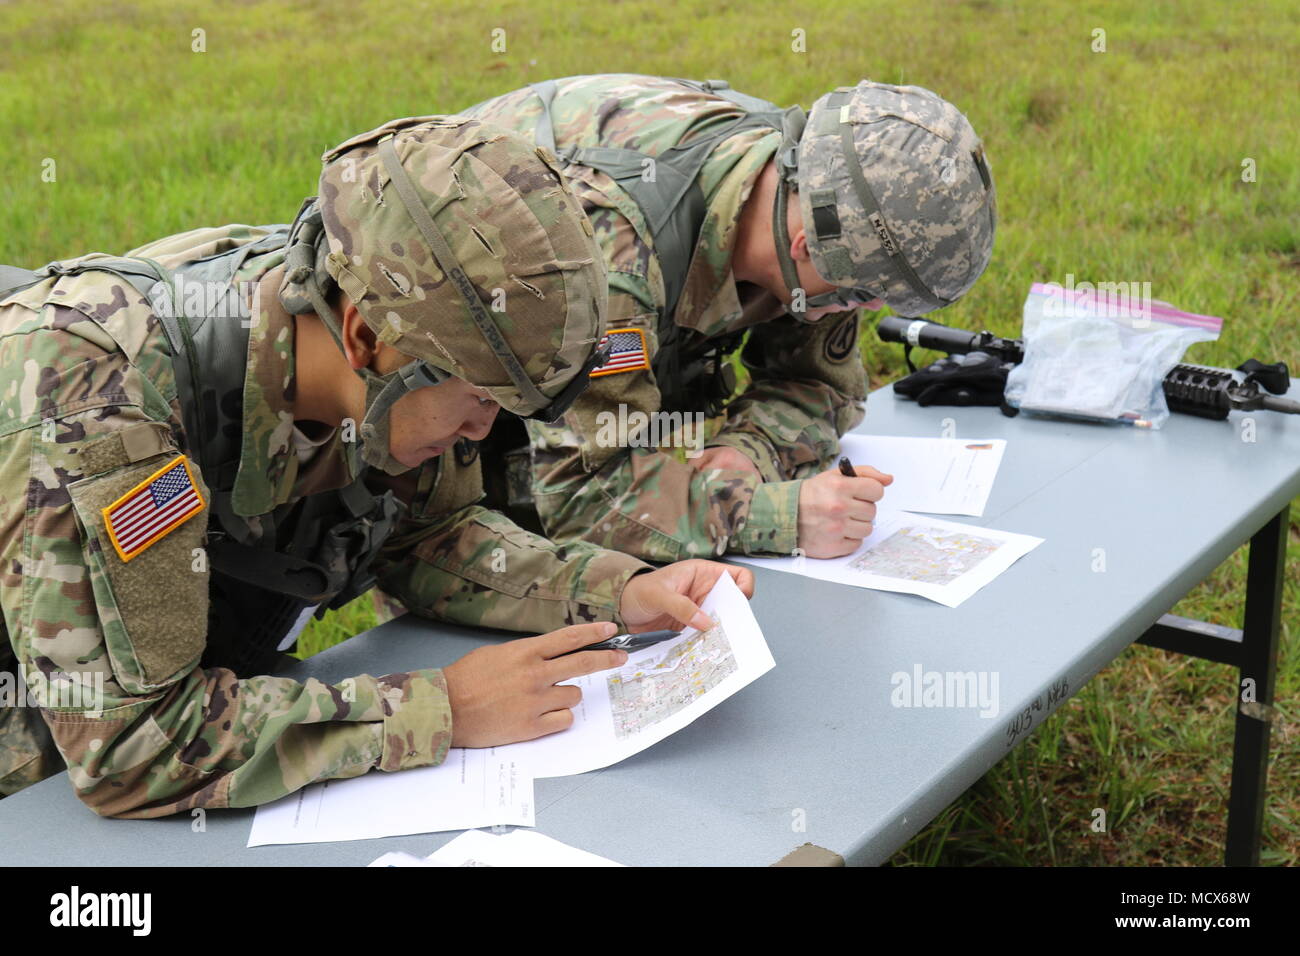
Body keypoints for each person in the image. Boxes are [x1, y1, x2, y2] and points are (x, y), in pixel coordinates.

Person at [0, 115, 753, 814]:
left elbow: (431, 536)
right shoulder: (100, 408)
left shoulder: (383, 316)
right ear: (363, 338)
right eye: (477, 399)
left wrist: (620, 591)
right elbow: (132, 748)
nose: (480, 429)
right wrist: (438, 710)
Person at [462, 75, 997, 561]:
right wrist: (782, 517)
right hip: (432, 398)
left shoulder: (818, 201)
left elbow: (816, 384)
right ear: (804, 245)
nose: (863, 311)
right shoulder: (612, 262)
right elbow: (582, 497)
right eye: (862, 296)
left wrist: (745, 453)